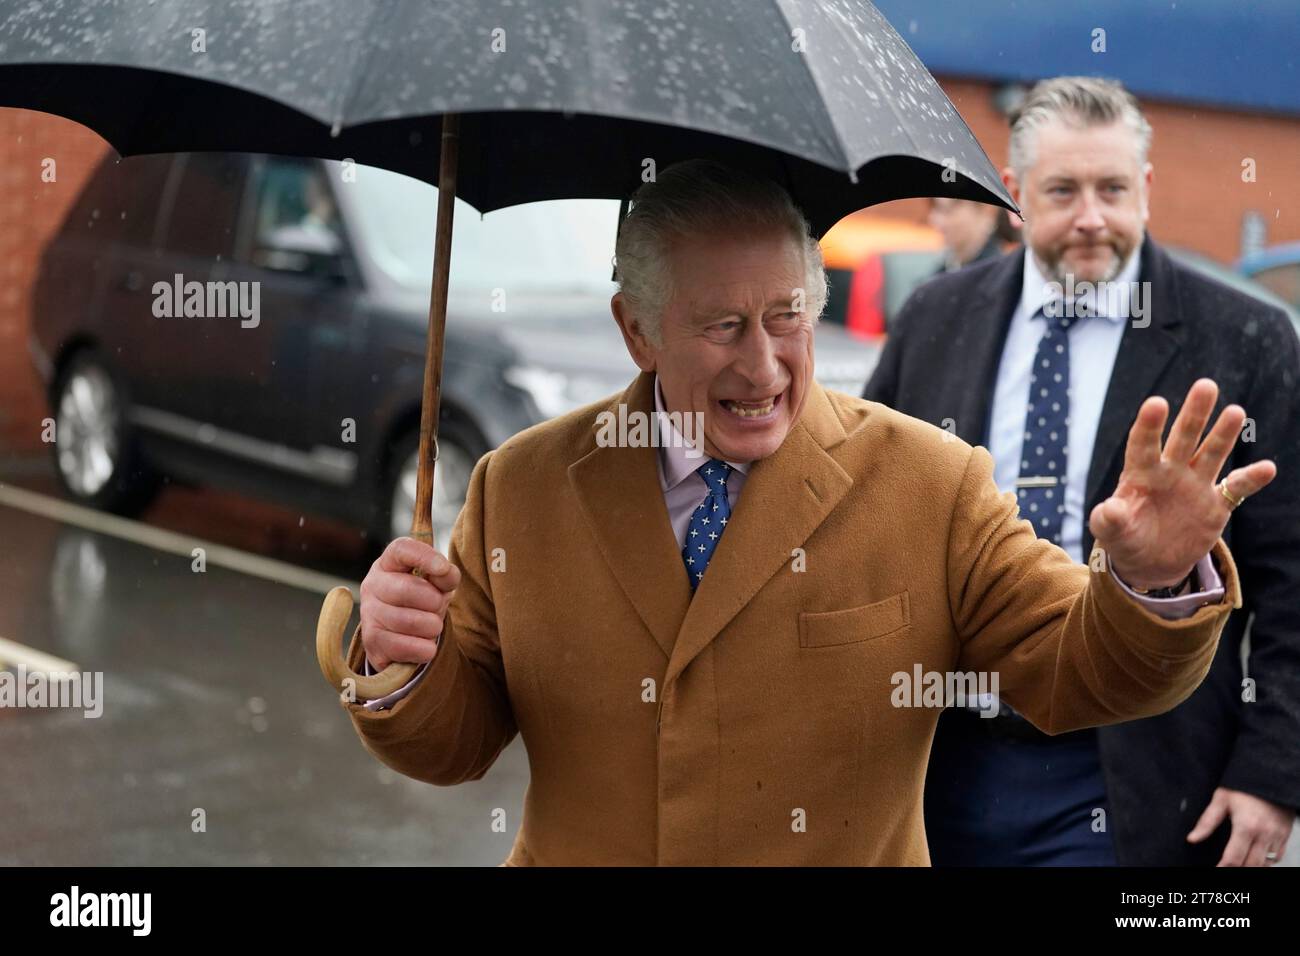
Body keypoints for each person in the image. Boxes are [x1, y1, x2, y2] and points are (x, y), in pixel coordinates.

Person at [339, 159, 1268, 866]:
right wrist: (397, 657)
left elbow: (1078, 671)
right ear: (636, 330)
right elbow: (450, 747)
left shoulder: (928, 483)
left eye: (786, 316)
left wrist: (1146, 583)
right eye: (720, 326)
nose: (764, 367)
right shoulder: (522, 487)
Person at [864, 77, 1300, 866]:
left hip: (1131, 762)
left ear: (1148, 190)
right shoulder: (936, 317)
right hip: (941, 754)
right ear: (1014, 191)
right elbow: (867, 512)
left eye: (1113, 189)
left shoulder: (1248, 338)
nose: (1092, 218)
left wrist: (1272, 772)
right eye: (1063, 191)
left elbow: (1294, 577)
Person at [927, 196, 1015, 272]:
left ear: (986, 209)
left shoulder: (998, 272)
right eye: (936, 209)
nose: (936, 219)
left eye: (947, 210)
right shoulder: (944, 268)